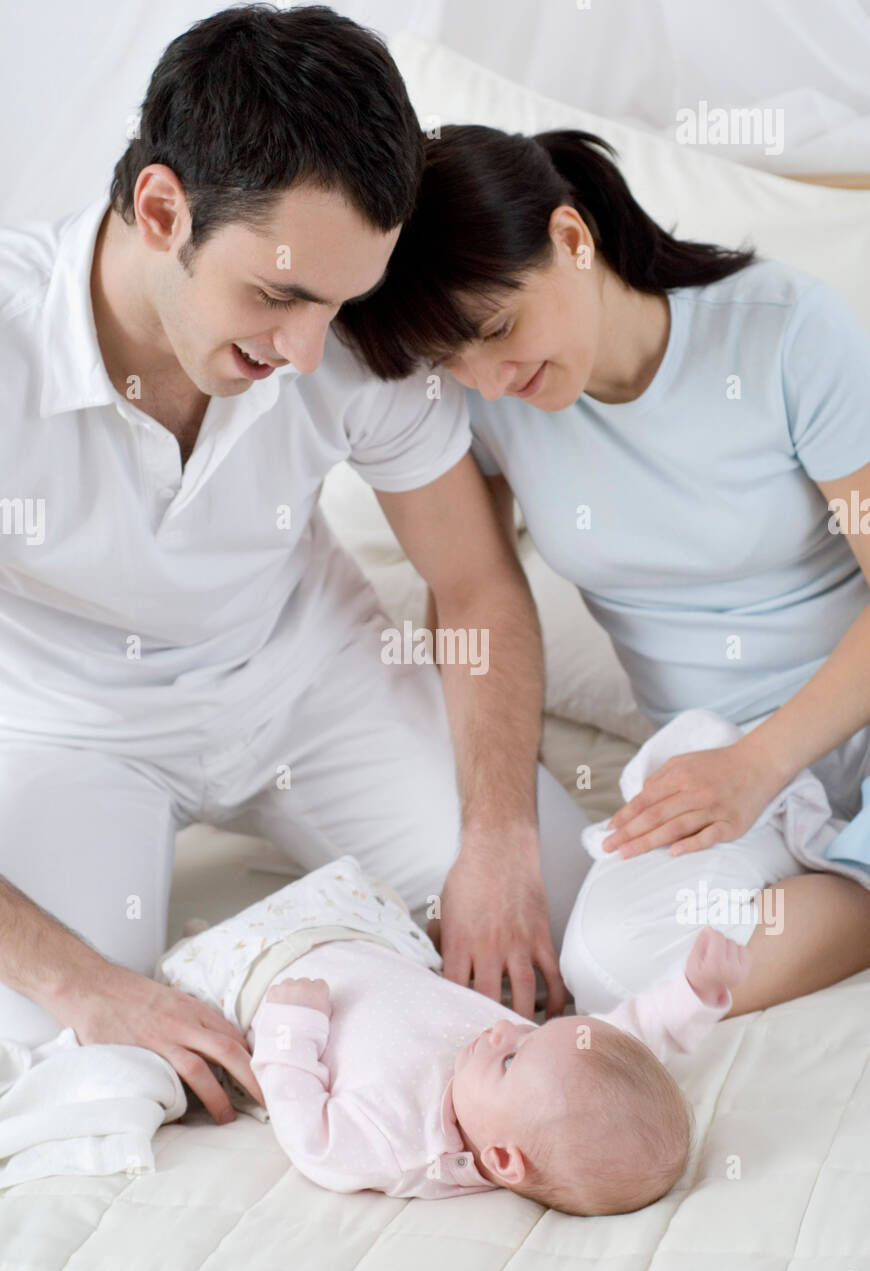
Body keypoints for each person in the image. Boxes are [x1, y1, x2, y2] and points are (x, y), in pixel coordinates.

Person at [0, 11, 593, 1125]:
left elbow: (472, 585)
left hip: (305, 677)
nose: (309, 352)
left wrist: (502, 840)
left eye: (342, 300)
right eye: (277, 297)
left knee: (567, 921)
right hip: (69, 722)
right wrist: (87, 984)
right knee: (52, 1047)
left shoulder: (344, 333)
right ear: (162, 211)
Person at [335, 123, 870, 1013]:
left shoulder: (784, 332)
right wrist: (496, 831)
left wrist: (762, 763)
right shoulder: (487, 407)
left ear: (572, 238)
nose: (490, 380)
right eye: (451, 360)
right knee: (611, 965)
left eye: (497, 329)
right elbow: (471, 594)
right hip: (710, 756)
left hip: (825, 721)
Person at [158, 854, 749, 1215]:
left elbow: (310, 1140)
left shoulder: (402, 1143)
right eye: (531, 1032)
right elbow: (629, 1033)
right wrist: (696, 993)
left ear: (500, 1159)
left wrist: (291, 1030)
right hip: (361, 937)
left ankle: (198, 939)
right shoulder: (536, 1083)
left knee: (172, 993)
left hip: (259, 985)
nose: (502, 1030)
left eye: (512, 1057)